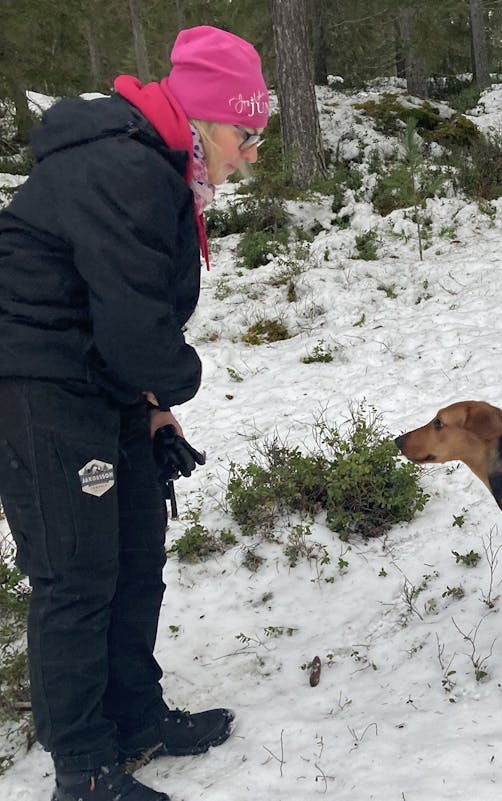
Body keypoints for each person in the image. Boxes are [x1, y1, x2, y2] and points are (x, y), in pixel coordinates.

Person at [0, 25, 269, 801]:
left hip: (99, 376)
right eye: (245, 133)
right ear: (207, 120)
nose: (251, 152)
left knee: (134, 551)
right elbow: (135, 328)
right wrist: (174, 380)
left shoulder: (157, 164)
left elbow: (124, 313)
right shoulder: (127, 168)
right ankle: (83, 765)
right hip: (37, 381)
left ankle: (134, 715)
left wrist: (151, 409)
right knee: (76, 573)